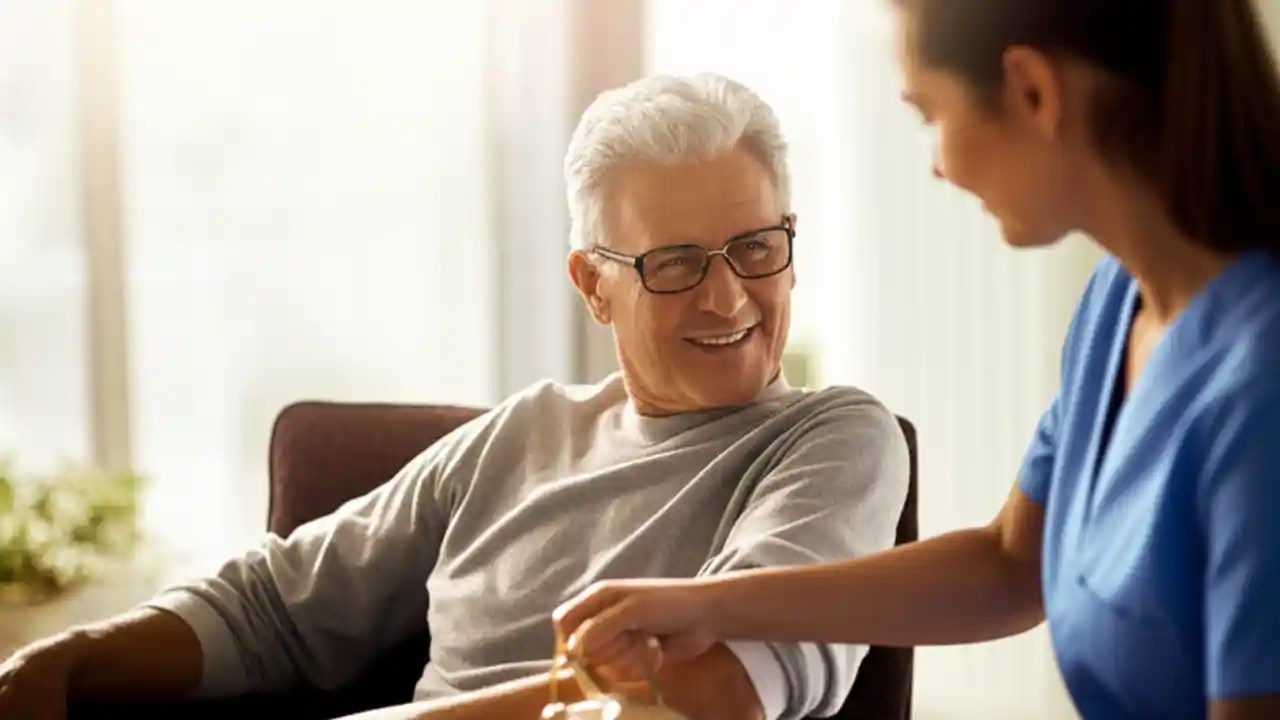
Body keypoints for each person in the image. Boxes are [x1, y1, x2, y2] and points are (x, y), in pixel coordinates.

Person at [0, 74, 909, 720]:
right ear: (592, 286)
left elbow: (717, 690)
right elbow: (277, 607)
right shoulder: (523, 435)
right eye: (674, 263)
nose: (728, 298)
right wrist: (58, 662)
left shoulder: (838, 441)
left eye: (755, 248)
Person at [554, 1, 1280, 718]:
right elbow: (1006, 566)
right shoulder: (1119, 303)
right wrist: (708, 604)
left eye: (929, 112)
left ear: (1032, 93)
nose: (935, 165)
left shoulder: (1259, 384)